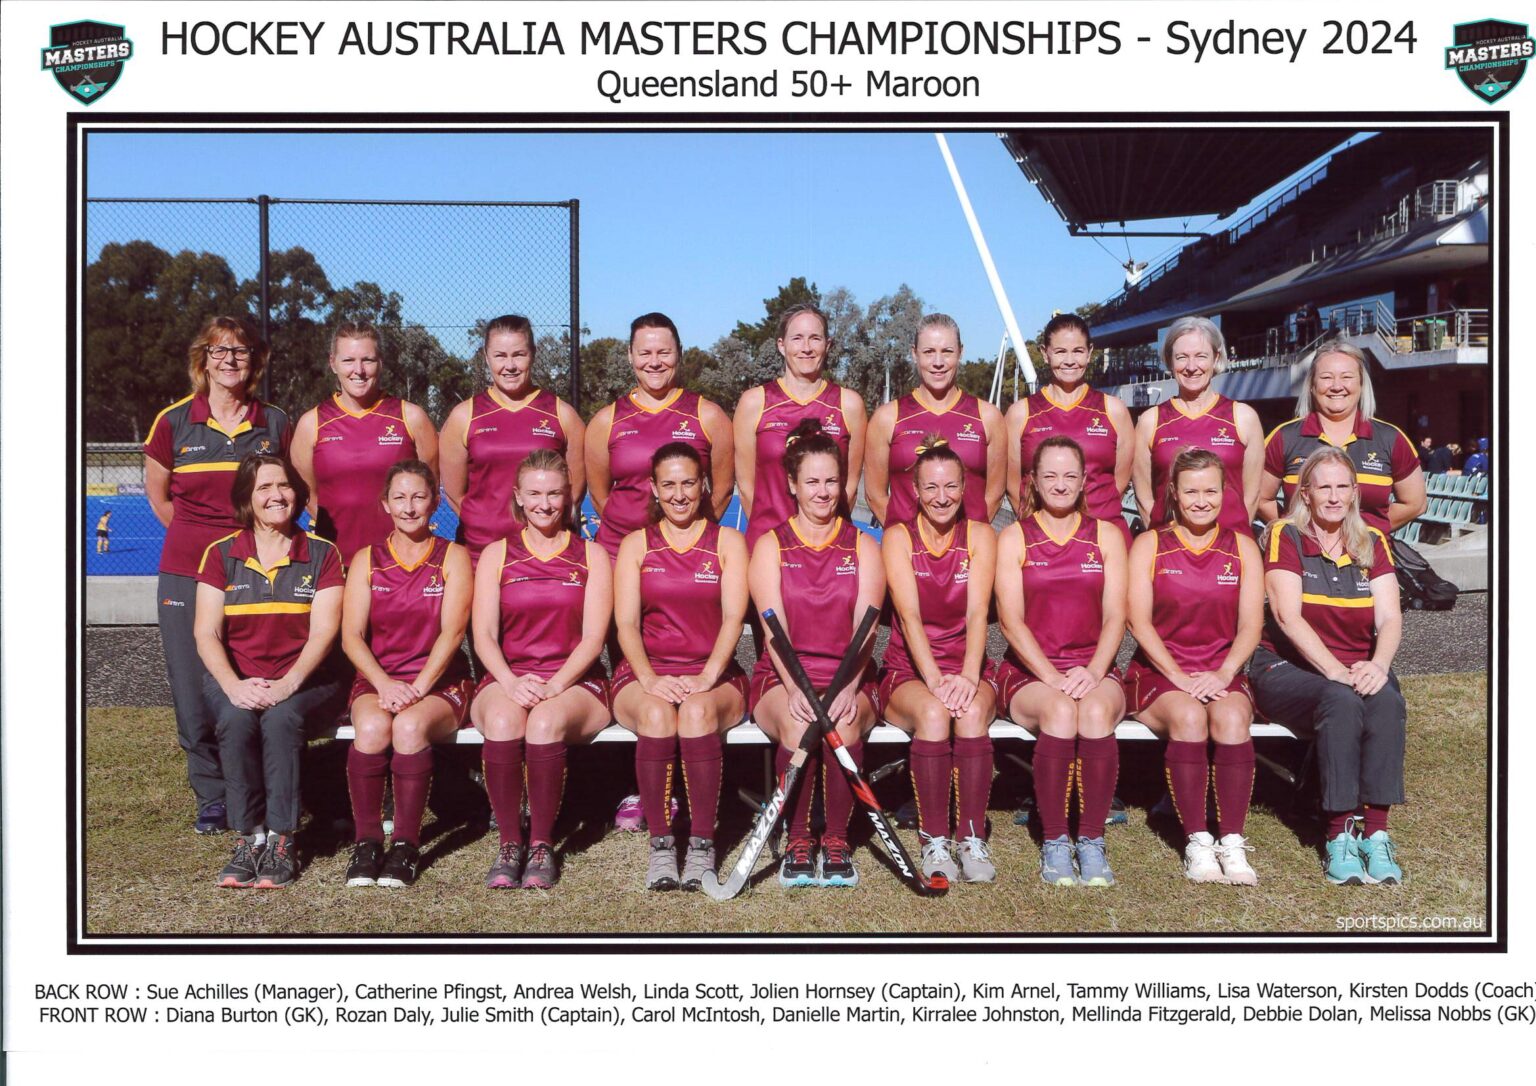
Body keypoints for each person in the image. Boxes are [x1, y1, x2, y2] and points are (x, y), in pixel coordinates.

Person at [144, 315, 292, 835]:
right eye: (219, 350)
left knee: (250, 680)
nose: (230, 359)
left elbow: (286, 494)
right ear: (202, 358)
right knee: (192, 688)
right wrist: (205, 552)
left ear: (256, 361)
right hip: (187, 573)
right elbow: (161, 499)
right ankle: (211, 795)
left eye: (241, 351)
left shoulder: (274, 422)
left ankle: (257, 786)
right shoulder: (173, 421)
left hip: (255, 573)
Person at [1251, 448, 1405, 886]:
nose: (1334, 496)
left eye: (1343, 486)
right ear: (1307, 493)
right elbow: (1286, 615)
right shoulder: (1287, 534)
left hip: (1357, 665)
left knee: (1386, 698)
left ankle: (1375, 833)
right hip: (1285, 669)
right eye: (1324, 487)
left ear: (1355, 493)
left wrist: (1378, 665)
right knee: (1341, 699)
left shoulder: (1372, 542)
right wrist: (1337, 670)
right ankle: (1339, 834)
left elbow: (1390, 617)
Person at [193, 455, 346, 888]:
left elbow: (324, 634)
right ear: (246, 498)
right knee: (236, 718)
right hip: (238, 679)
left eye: (284, 486)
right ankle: (249, 837)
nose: (276, 495)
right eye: (264, 488)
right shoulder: (221, 555)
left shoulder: (322, 554)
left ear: (297, 494)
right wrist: (232, 686)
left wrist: (287, 684)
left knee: (280, 720)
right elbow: (206, 633)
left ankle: (281, 839)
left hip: (307, 680)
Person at [749, 420, 885, 887]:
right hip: (785, 675)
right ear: (792, 484)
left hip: (850, 675)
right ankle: (799, 838)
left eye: (831, 480)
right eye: (812, 481)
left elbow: (865, 632)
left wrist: (848, 686)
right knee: (801, 720)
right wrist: (796, 688)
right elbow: (773, 630)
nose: (823, 492)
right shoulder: (770, 545)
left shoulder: (864, 544)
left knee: (841, 722)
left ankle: (837, 840)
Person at [469, 449, 612, 890]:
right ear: (518, 496)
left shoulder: (592, 555)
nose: (544, 504)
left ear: (570, 497)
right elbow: (485, 637)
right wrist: (511, 683)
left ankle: (543, 845)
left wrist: (553, 685)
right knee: (502, 718)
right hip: (508, 678)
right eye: (534, 493)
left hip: (574, 682)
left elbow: (593, 640)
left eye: (554, 494)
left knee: (545, 722)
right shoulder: (496, 554)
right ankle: (510, 843)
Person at [612, 443, 750, 890]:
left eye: (688, 482)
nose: (678, 494)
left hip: (713, 674)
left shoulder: (728, 542)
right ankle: (661, 846)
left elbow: (733, 618)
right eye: (668, 484)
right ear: (653, 488)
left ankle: (703, 846)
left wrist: (706, 678)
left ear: (704, 485)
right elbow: (626, 625)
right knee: (656, 713)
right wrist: (650, 679)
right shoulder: (636, 545)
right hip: (645, 673)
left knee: (694, 712)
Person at [1124, 448, 1265, 884]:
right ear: (1174, 494)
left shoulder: (1242, 547)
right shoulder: (1150, 544)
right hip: (1160, 672)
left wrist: (1223, 674)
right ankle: (1198, 840)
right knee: (1188, 715)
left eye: (1210, 490)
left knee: (1230, 717)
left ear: (1226, 493)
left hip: (1221, 671)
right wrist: (1180, 678)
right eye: (1191, 491)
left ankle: (1233, 842)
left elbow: (1251, 627)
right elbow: (1138, 622)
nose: (1201, 500)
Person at [993, 437, 1129, 887]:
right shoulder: (1013, 537)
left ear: (1084, 480)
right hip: (1032, 671)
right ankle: (1055, 840)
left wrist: (1092, 671)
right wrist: (1052, 677)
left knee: (1090, 710)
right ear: (1032, 481)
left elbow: (1116, 616)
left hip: (1093, 667)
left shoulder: (1107, 535)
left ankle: (1090, 840)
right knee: (1058, 709)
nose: (1060, 484)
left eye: (1070, 475)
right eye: (1050, 475)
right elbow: (1010, 622)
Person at [339, 461, 474, 888]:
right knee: (374, 727)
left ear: (435, 503)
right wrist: (384, 684)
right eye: (400, 497)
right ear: (385, 504)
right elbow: (351, 637)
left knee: (410, 727)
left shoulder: (454, 556)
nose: (409, 507)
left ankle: (406, 845)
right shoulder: (366, 560)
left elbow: (453, 634)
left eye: (419, 497)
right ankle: (367, 842)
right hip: (381, 679)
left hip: (439, 681)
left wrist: (415, 688)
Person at [881, 436, 998, 883]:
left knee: (968, 712)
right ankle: (934, 838)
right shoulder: (897, 537)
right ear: (914, 490)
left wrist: (967, 677)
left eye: (950, 486)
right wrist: (936, 681)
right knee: (934, 713)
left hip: (966, 668)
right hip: (911, 672)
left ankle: (970, 836)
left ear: (965, 486)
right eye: (931, 487)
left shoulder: (981, 535)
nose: (942, 497)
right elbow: (908, 617)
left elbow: (977, 613)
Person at [439, 314, 585, 565]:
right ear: (486, 357)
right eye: (500, 356)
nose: (510, 365)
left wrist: (542, 529)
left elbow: (575, 489)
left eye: (518, 354)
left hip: (546, 555)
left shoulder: (562, 414)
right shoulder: (464, 416)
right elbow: (454, 493)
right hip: (480, 554)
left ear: (533, 354)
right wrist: (485, 524)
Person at [289, 321, 439, 565]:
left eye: (367, 360)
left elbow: (430, 488)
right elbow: (308, 495)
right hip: (335, 563)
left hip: (404, 564)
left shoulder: (411, 417)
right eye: (348, 360)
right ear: (332, 363)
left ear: (380, 362)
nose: (358, 370)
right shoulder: (311, 424)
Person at [587, 312, 733, 558]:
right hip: (618, 553)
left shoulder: (709, 416)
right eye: (645, 353)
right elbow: (599, 496)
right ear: (630, 356)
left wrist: (688, 536)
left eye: (664, 353)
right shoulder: (605, 421)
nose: (654, 362)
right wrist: (631, 540)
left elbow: (723, 489)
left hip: (686, 555)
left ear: (680, 353)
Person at [1258, 340, 1426, 536]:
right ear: (1312, 385)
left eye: (1347, 377)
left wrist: (1360, 534)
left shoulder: (1390, 438)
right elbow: (1259, 498)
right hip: (1301, 560)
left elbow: (1415, 503)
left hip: (1367, 559)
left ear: (1362, 385)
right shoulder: (1284, 437)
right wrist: (1296, 532)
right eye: (1326, 377)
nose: (1337, 386)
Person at [734, 302, 867, 548]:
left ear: (827, 346)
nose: (806, 348)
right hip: (769, 546)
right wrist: (778, 542)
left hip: (830, 549)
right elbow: (746, 489)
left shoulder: (849, 404)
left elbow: (848, 488)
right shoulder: (754, 402)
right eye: (797, 338)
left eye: (815, 338)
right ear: (781, 345)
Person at [864, 314, 1006, 529]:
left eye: (947, 352)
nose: (938, 362)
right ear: (914, 354)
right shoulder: (887, 418)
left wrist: (970, 541)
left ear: (960, 352)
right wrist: (906, 542)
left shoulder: (988, 417)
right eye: (929, 352)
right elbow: (875, 495)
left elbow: (994, 495)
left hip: (969, 556)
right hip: (905, 557)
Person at [1005, 312, 1134, 542]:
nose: (1070, 360)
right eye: (1060, 351)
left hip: (1104, 542)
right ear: (1045, 354)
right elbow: (1014, 484)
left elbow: (1119, 483)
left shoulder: (1114, 411)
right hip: (1041, 543)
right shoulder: (1020, 413)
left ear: (1090, 352)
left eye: (1078, 351)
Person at [1131, 315, 1264, 535]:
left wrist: (1227, 542)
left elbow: (1251, 498)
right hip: (1169, 553)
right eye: (1182, 357)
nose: (1191, 367)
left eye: (1201, 356)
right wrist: (1165, 542)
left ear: (1216, 357)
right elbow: (1144, 498)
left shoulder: (1244, 417)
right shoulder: (1150, 421)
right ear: (1169, 360)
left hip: (1229, 553)